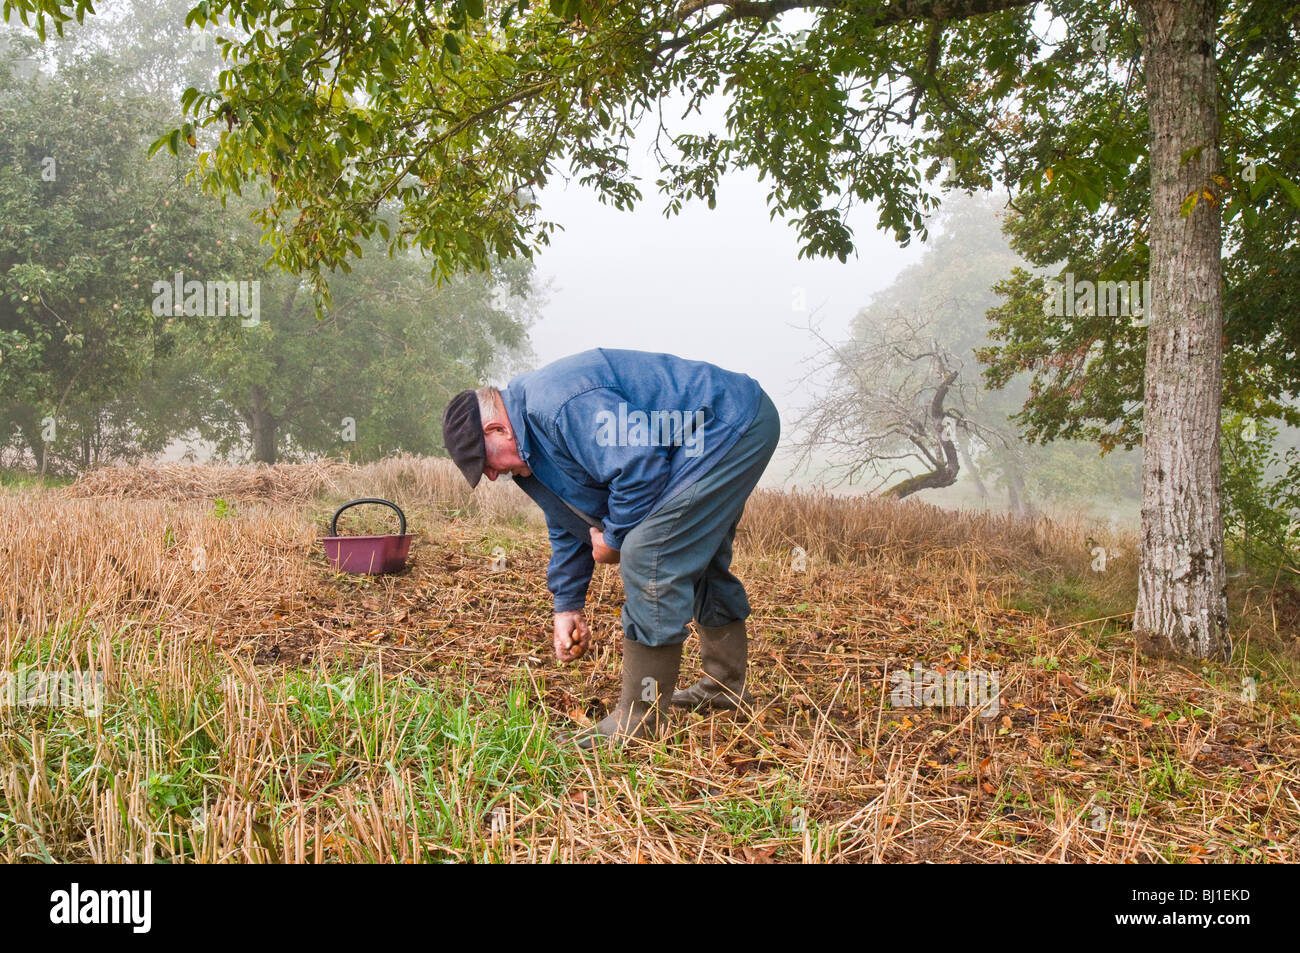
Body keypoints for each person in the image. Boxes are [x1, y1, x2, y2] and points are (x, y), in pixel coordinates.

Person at [441, 348, 779, 748]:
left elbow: (640, 466)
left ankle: (641, 721)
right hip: (712, 432)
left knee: (649, 553)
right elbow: (569, 522)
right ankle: (724, 690)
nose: (493, 476)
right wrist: (567, 605)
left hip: (728, 423)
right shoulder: (530, 451)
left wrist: (616, 540)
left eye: (487, 464)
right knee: (693, 555)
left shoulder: (559, 405)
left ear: (497, 429)